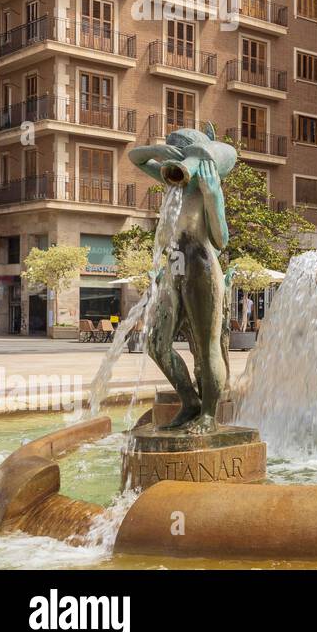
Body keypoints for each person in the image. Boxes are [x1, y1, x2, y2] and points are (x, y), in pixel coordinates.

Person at [128, 126, 236, 433]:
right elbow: (134, 158)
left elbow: (221, 239)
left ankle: (208, 416)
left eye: (180, 152)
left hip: (201, 263)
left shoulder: (206, 182)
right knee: (156, 343)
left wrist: (211, 194)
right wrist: (160, 152)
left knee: (206, 346)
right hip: (173, 264)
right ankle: (189, 401)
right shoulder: (171, 182)